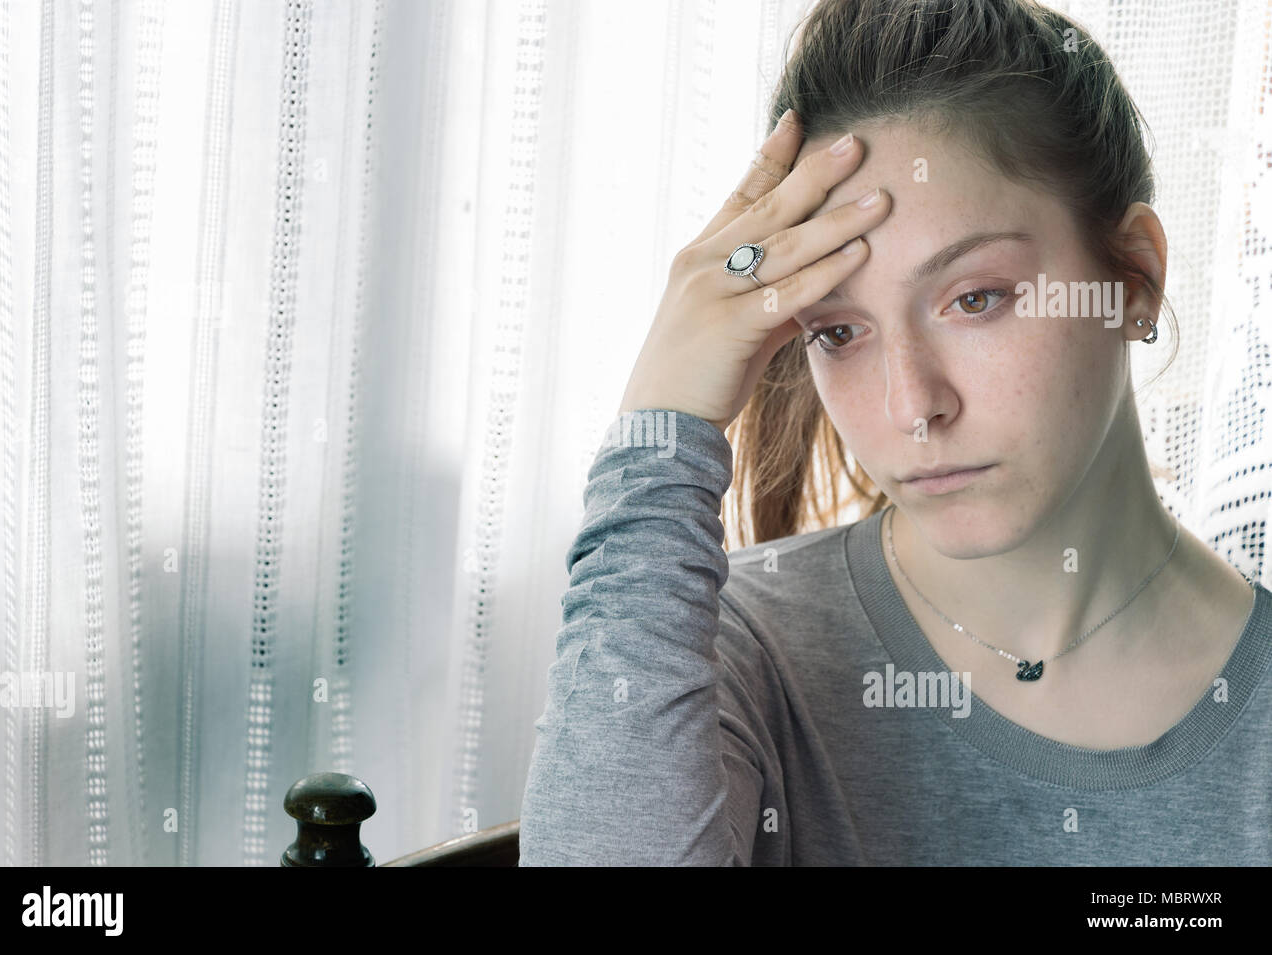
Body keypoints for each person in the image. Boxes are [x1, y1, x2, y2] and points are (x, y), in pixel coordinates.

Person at [518, 0, 1270, 865]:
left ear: (1134, 277)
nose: (914, 405)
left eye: (975, 299)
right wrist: (663, 423)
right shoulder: (716, 655)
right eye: (839, 331)